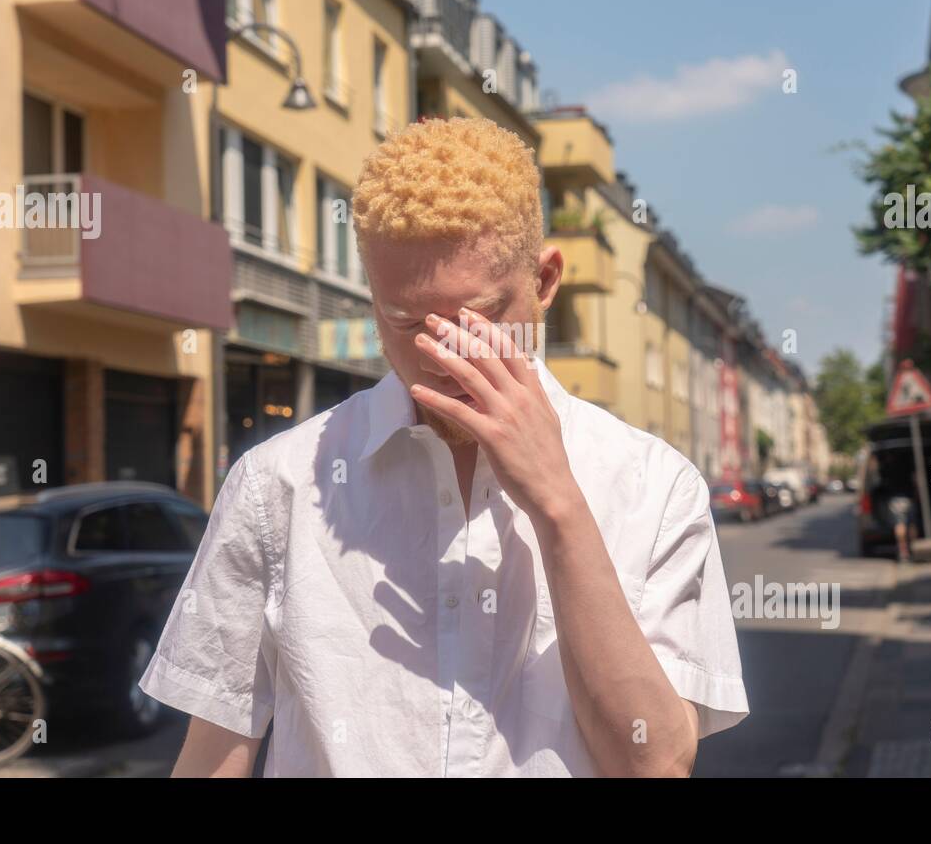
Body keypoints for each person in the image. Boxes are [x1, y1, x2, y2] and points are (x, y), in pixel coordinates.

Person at [139, 117, 748, 777]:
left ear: (544, 281)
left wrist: (560, 509)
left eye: (474, 320)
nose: (441, 357)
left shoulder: (654, 487)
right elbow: (212, 758)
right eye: (404, 322)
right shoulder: (275, 485)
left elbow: (654, 762)